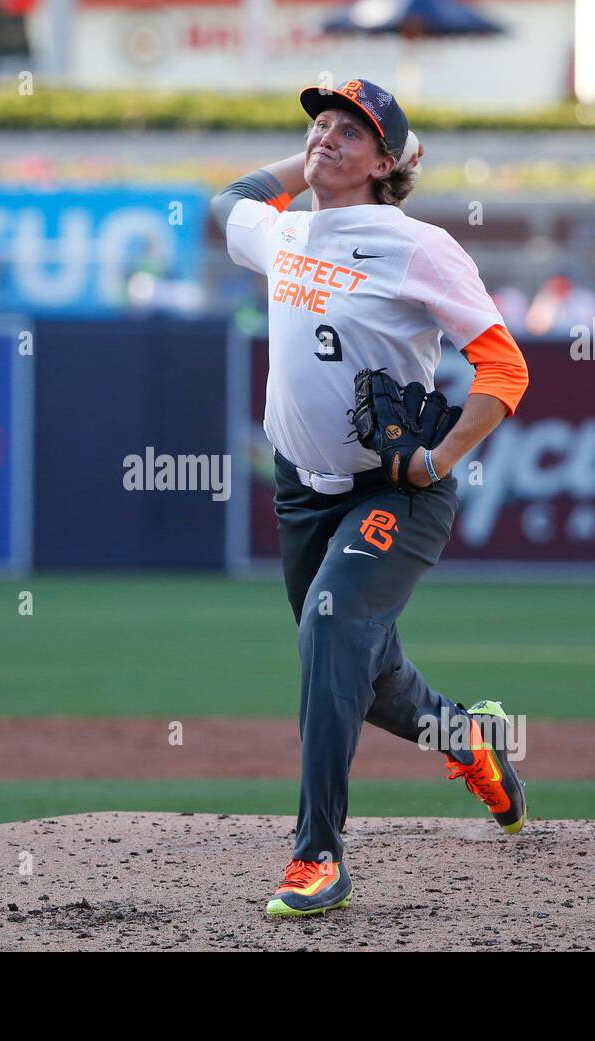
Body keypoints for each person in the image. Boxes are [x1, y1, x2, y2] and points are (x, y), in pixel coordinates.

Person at [210, 78, 531, 918]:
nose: (324, 137)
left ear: (386, 161)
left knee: (329, 624)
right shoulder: (287, 231)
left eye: (350, 132)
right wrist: (321, 160)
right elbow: (229, 199)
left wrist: (438, 460)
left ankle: (318, 856)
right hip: (300, 494)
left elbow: (505, 368)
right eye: (318, 124)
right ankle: (466, 738)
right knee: (368, 672)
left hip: (394, 491)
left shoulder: (415, 245)